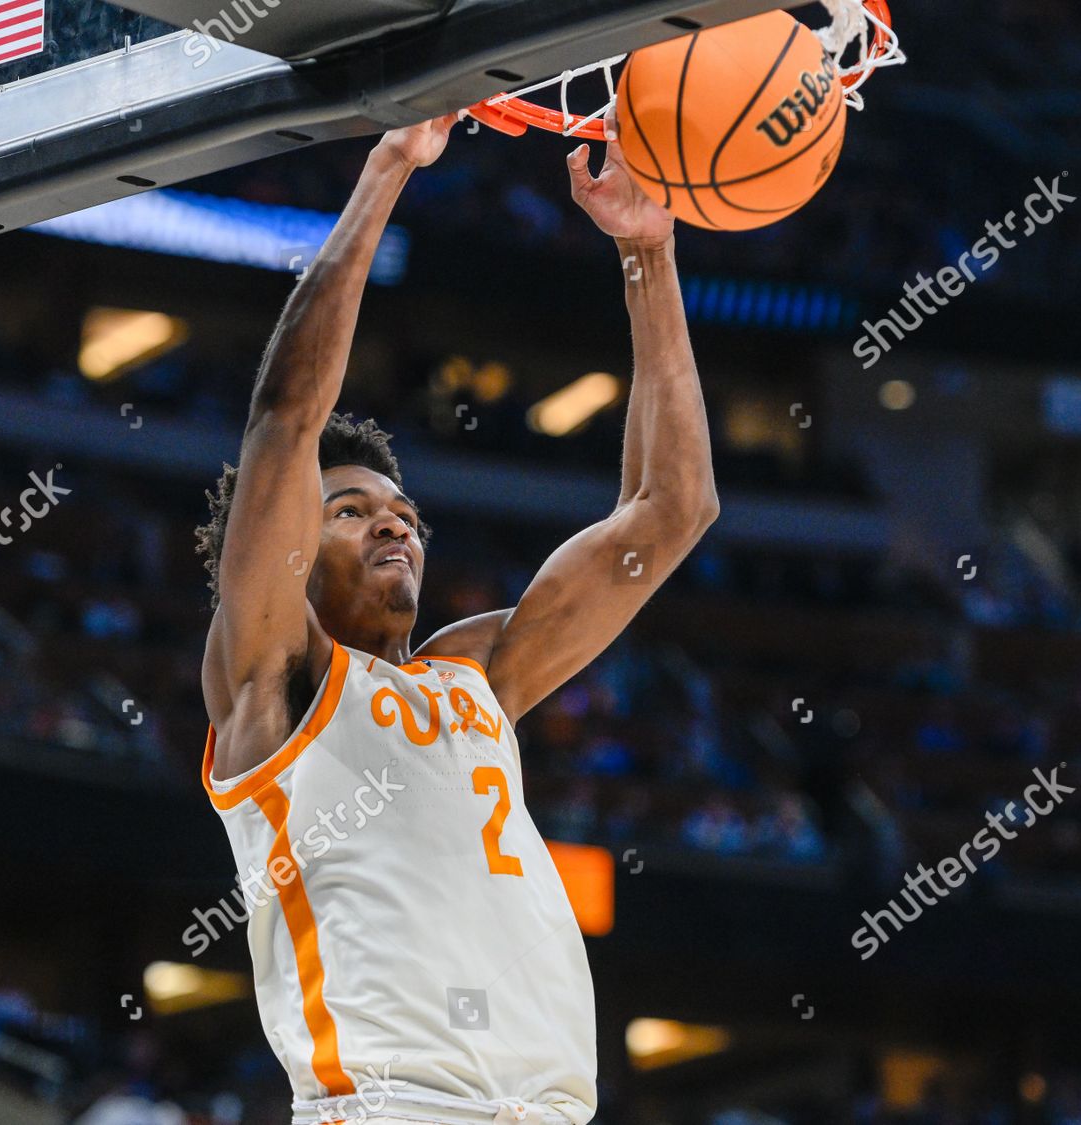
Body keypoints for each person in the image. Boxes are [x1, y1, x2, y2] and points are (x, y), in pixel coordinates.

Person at [193, 111, 719, 1125]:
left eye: (405, 515)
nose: (394, 524)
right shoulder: (273, 680)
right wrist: (391, 166)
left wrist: (648, 253)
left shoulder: (476, 674)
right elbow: (285, 421)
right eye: (351, 512)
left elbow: (673, 509)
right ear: (289, 543)